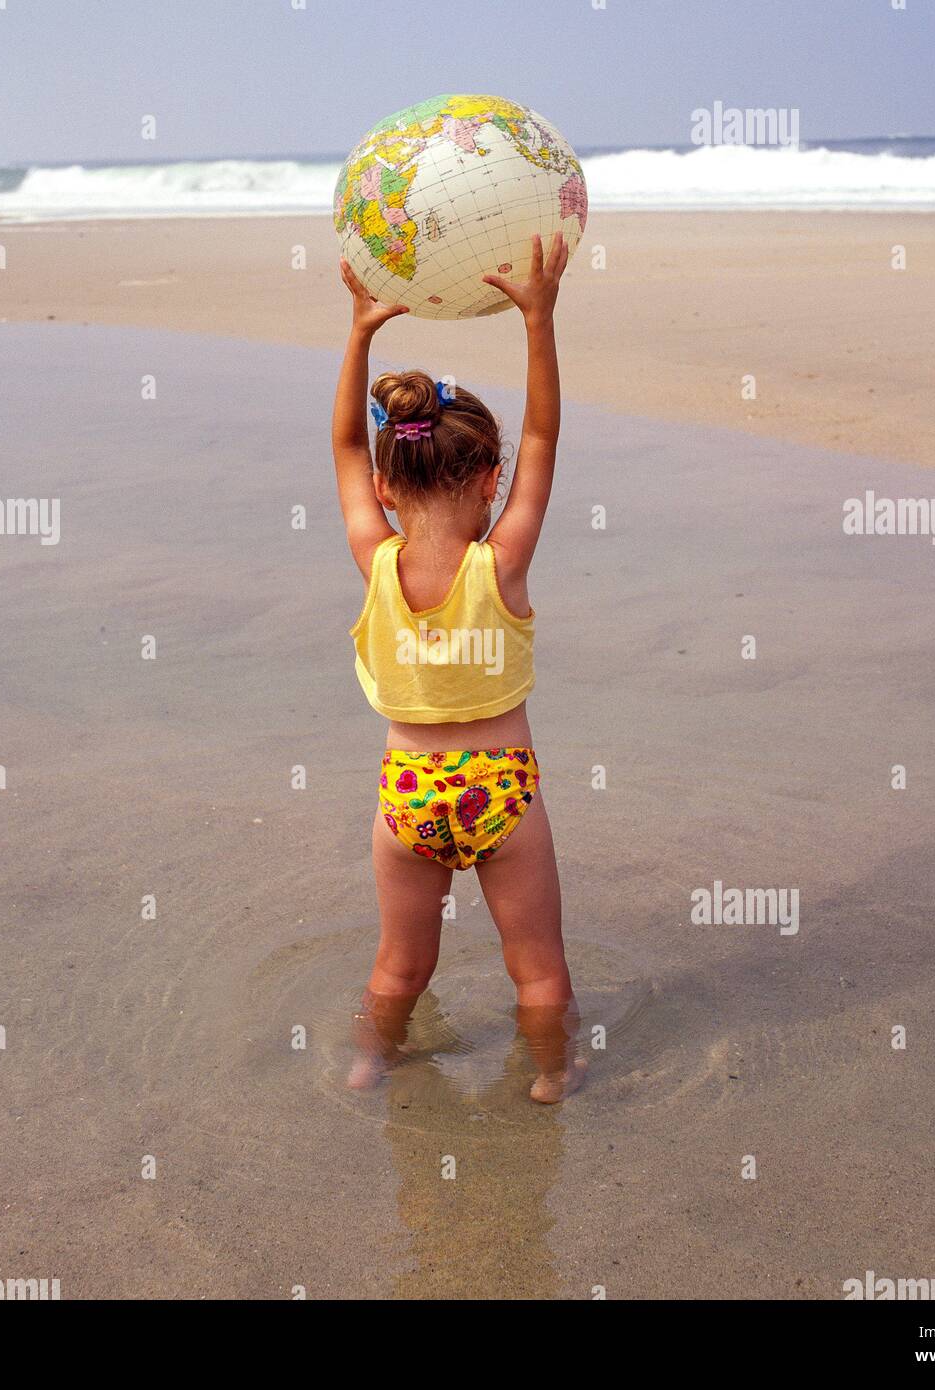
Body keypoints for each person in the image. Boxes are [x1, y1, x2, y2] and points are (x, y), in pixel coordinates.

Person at [331, 232, 583, 1103]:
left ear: (389, 486)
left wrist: (359, 332)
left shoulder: (376, 560)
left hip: (408, 793)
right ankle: (553, 1074)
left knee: (399, 965)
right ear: (490, 478)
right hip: (501, 788)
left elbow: (342, 455)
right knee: (537, 966)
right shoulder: (501, 561)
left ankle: (372, 1062)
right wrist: (538, 320)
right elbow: (545, 435)